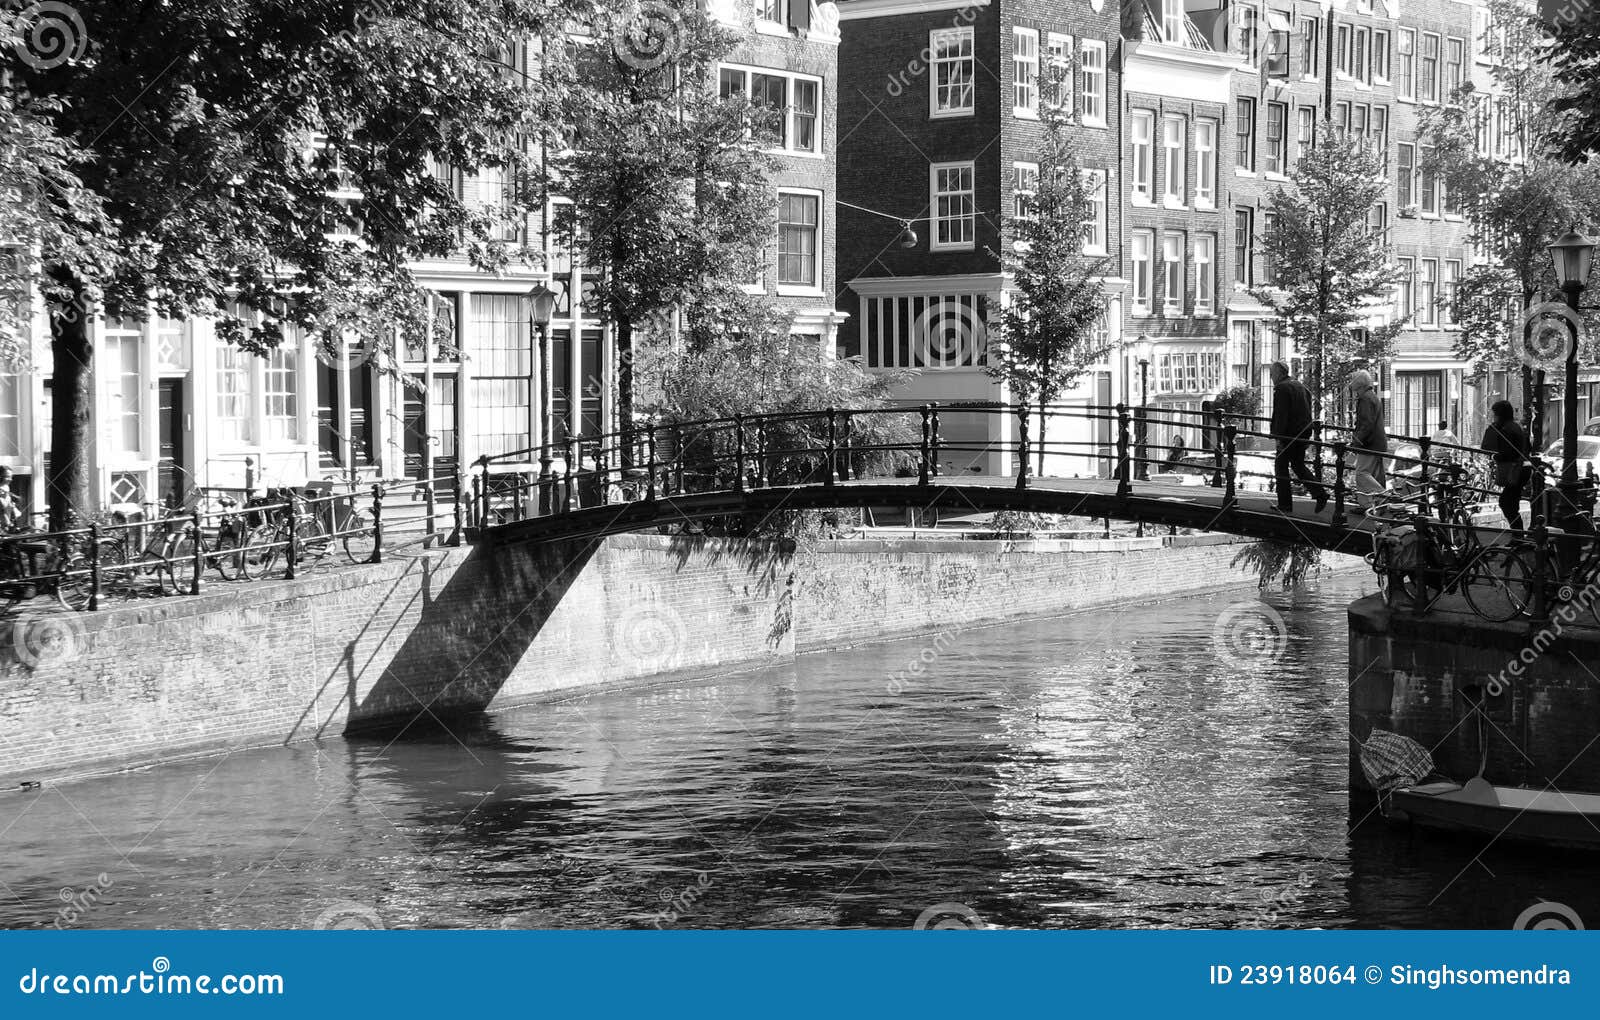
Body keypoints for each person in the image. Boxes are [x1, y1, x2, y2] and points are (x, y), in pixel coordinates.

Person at [1268, 361, 1328, 514]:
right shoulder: (1300, 386)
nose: (1270, 376)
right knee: (1297, 465)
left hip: (1289, 436)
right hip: (1303, 433)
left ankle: (1285, 505)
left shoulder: (1281, 388)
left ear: (1280, 373)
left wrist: (1278, 437)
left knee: (1281, 467)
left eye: (1272, 373)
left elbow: (1281, 415)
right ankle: (1320, 493)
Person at [1481, 399, 1529, 532]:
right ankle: (1518, 535)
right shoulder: (1514, 426)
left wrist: (1496, 456)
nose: (1494, 417)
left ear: (1500, 415)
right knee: (1510, 503)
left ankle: (1518, 535)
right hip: (1522, 469)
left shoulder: (1506, 430)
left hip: (1516, 470)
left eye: (1495, 414)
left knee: (1507, 503)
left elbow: (1506, 452)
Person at [1349, 369, 1389, 507]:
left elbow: (1366, 424)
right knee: (1369, 474)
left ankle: (1383, 495)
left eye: (1352, 380)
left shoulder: (1365, 399)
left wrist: (1356, 441)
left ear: (1358, 383)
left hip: (1369, 443)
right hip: (1376, 442)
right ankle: (1365, 505)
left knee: (1361, 473)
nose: (1350, 383)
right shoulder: (1371, 396)